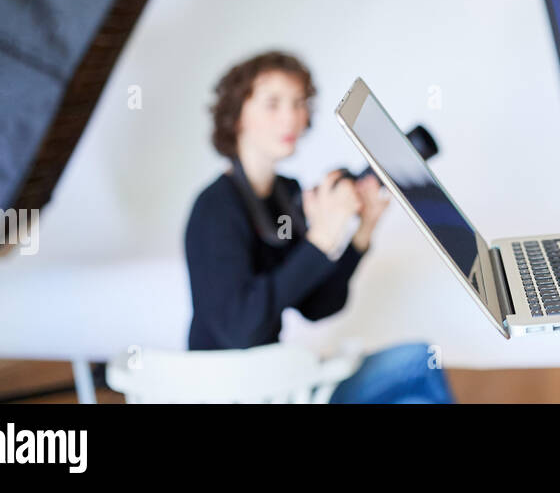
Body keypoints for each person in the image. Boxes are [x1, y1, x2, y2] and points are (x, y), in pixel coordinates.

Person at [185, 50, 454, 404]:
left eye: (299, 103)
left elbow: (317, 305)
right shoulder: (216, 209)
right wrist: (320, 238)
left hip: (278, 383)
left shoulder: (285, 195)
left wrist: (360, 233)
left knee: (417, 373)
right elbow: (241, 330)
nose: (292, 117)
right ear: (236, 115)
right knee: (416, 364)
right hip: (233, 391)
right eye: (273, 103)